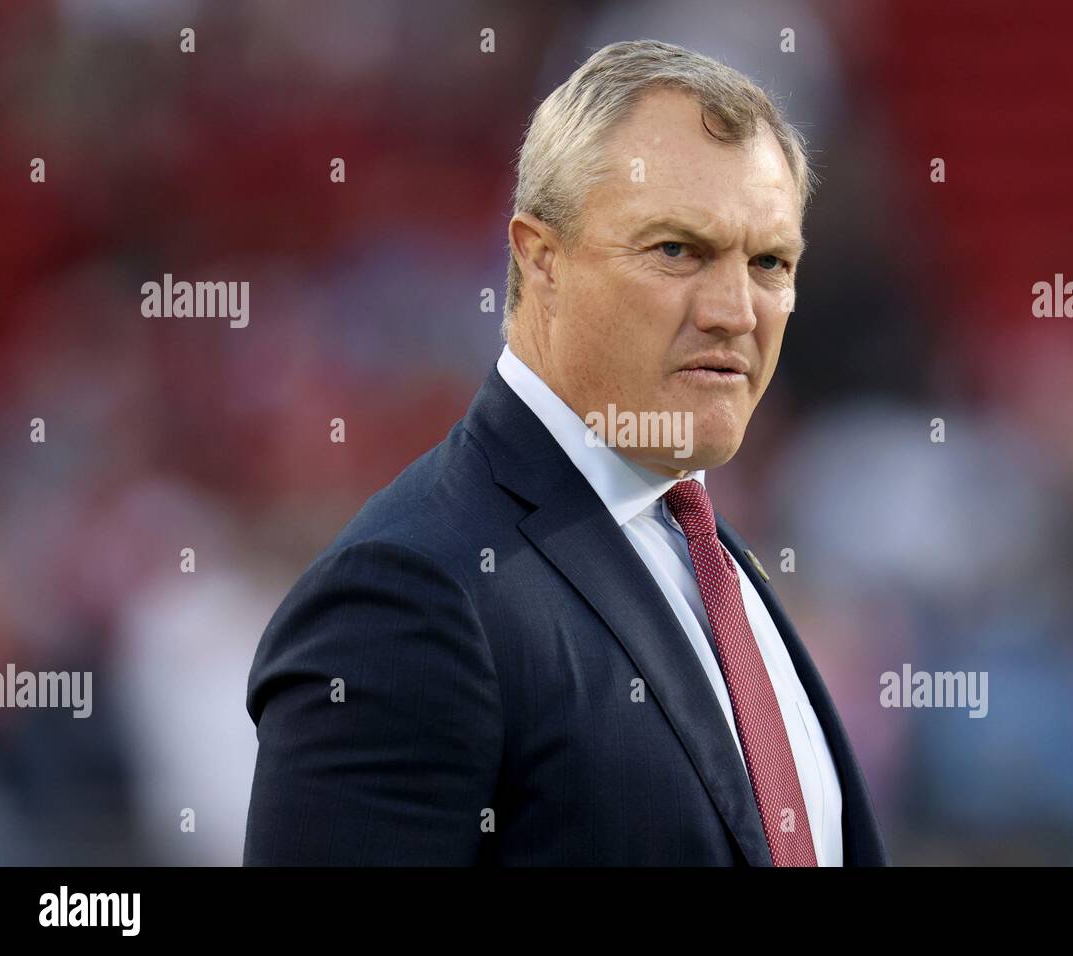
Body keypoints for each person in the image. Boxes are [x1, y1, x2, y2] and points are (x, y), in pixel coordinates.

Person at [244, 38, 888, 866]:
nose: (736, 310)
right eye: (676, 250)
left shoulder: (717, 567)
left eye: (770, 262)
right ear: (540, 260)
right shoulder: (410, 594)